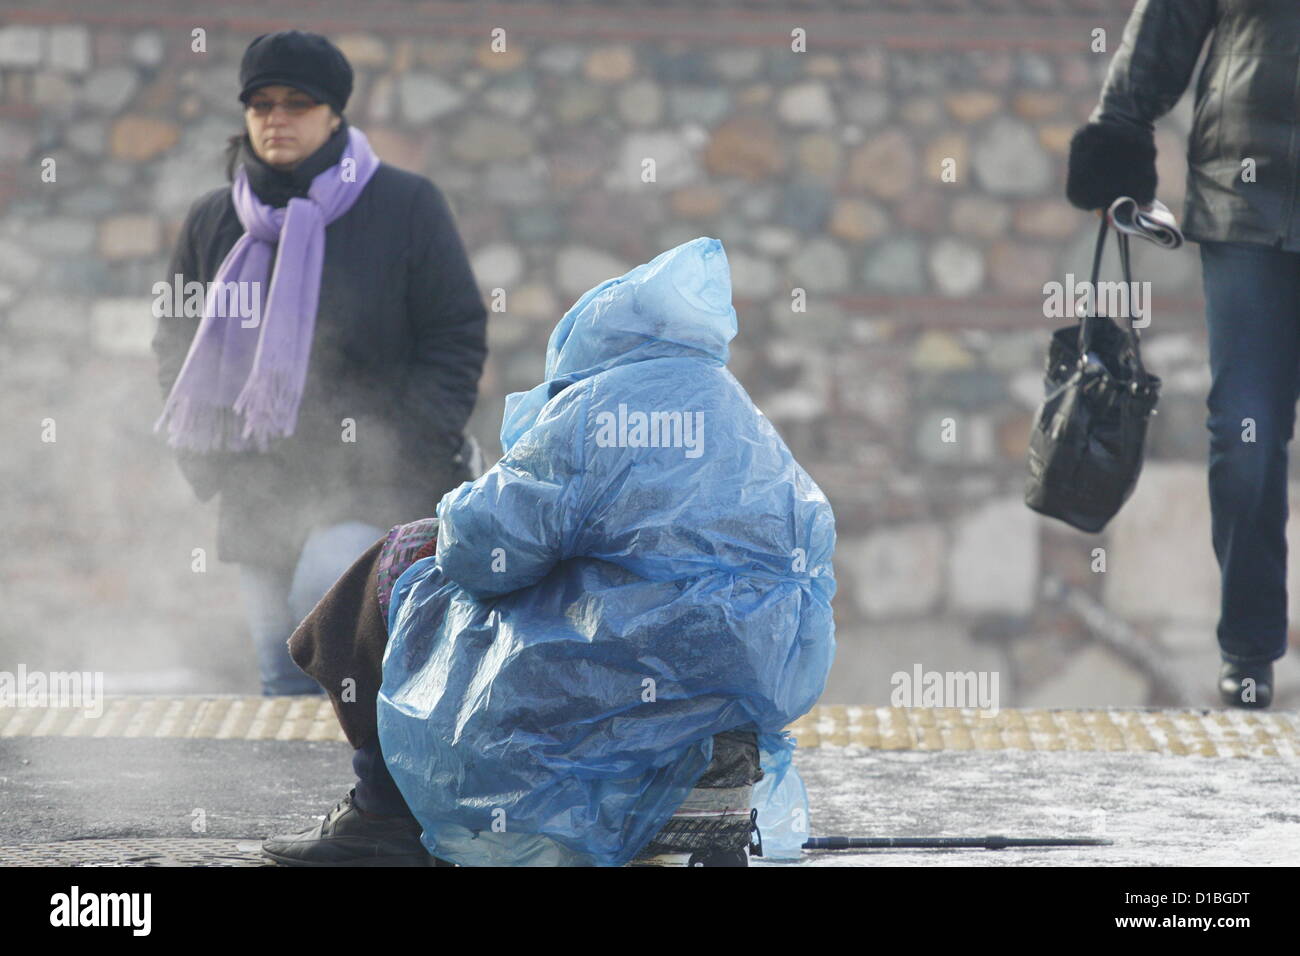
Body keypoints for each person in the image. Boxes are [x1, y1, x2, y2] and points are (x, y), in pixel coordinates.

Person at [261, 237, 836, 866]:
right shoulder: (747, 421)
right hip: (733, 686)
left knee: (400, 556)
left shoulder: (597, 407)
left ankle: (380, 813)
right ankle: (694, 806)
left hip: (605, 672)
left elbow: (480, 549)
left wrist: (456, 507)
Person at [150, 30, 486, 696]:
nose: (276, 118)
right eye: (261, 103)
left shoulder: (404, 206)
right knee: (283, 681)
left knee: (324, 621)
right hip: (258, 490)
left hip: (372, 479)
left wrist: (406, 442)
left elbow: (455, 334)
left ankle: (373, 794)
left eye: (297, 103)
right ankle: (322, 804)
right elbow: (175, 339)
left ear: (334, 113)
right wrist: (209, 458)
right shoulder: (215, 220)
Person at [1067, 0, 1300, 709]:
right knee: (1246, 436)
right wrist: (1120, 134)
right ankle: (1250, 651)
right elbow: (1169, 19)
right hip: (1244, 201)